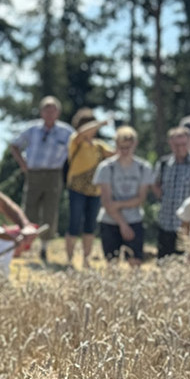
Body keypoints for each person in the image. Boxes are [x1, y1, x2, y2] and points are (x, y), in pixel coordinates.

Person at [9, 96, 75, 262]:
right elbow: (14, 144)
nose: (50, 112)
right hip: (34, 173)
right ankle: (24, 245)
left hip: (54, 174)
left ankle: (44, 248)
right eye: (46, 109)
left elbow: (78, 147)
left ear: (58, 112)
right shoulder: (32, 129)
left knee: (50, 210)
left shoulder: (66, 132)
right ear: (41, 111)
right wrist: (23, 165)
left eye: (53, 109)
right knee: (29, 208)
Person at [94, 126, 155, 267]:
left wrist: (118, 204)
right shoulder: (105, 167)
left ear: (135, 144)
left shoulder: (143, 167)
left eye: (128, 147)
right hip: (109, 221)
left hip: (135, 219)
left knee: (135, 262)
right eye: (121, 147)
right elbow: (106, 202)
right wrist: (123, 224)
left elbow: (140, 199)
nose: (125, 151)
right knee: (112, 263)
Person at [64, 108, 114, 268]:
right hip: (76, 189)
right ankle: (70, 259)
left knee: (90, 226)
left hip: (94, 191)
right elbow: (81, 133)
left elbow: (115, 154)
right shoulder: (75, 141)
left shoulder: (100, 146)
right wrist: (100, 123)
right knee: (74, 223)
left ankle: (86, 259)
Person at [153, 126, 190, 259]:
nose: (180, 148)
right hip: (166, 222)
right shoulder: (164, 163)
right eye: (176, 145)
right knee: (164, 264)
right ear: (170, 144)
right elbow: (155, 184)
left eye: (183, 144)